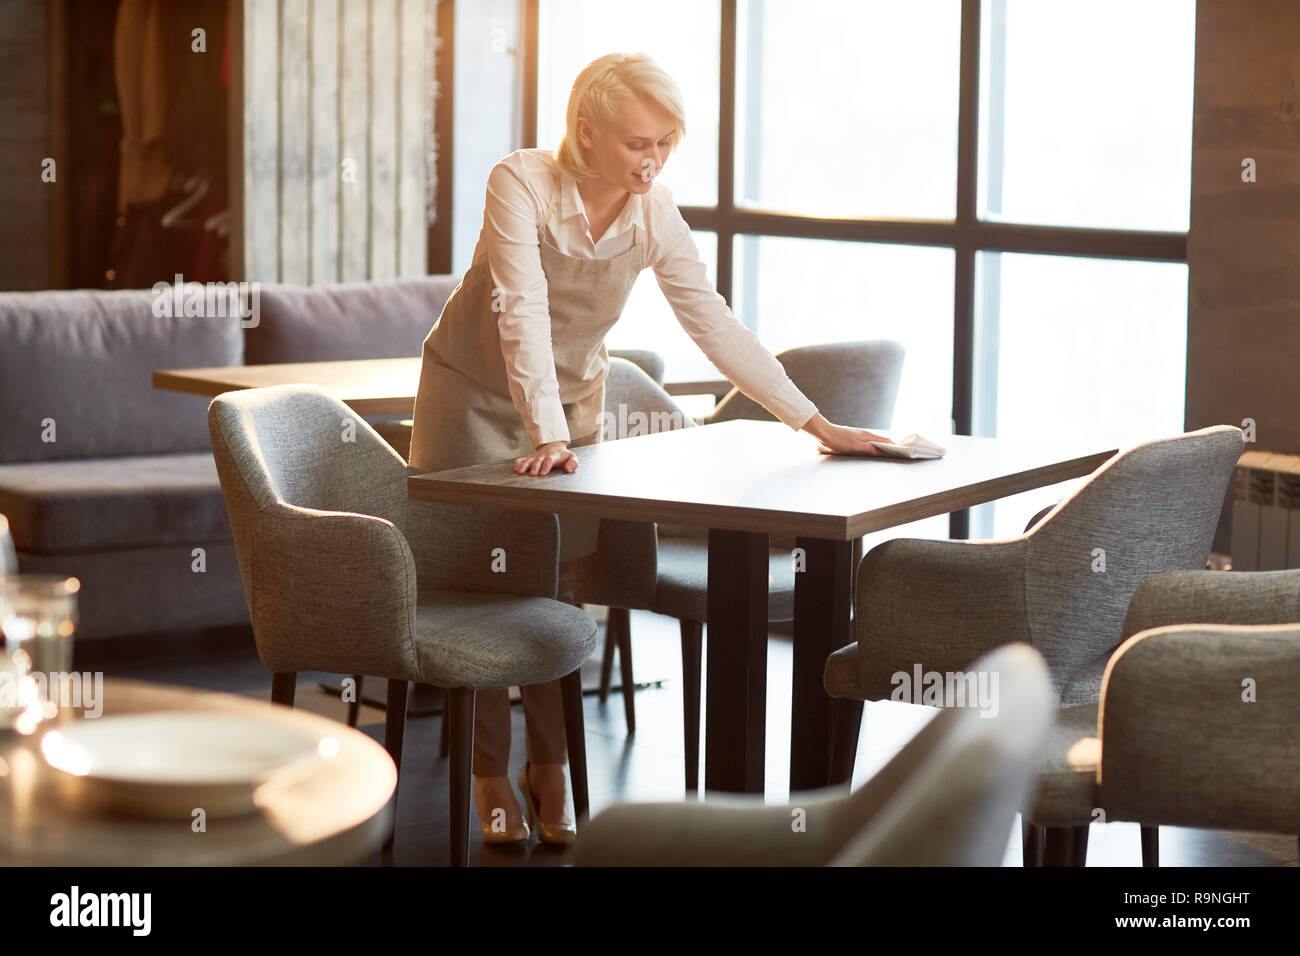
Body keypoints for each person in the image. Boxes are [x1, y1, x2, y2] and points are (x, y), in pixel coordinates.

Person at [408, 51, 889, 846]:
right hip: (471, 396)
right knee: (484, 582)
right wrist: (547, 431)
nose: (655, 159)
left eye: (667, 142)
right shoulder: (518, 183)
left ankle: (549, 767)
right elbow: (518, 311)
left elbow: (714, 323)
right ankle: (489, 770)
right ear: (586, 133)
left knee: (559, 586)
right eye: (640, 143)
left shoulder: (654, 211)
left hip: (571, 403)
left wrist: (815, 422)